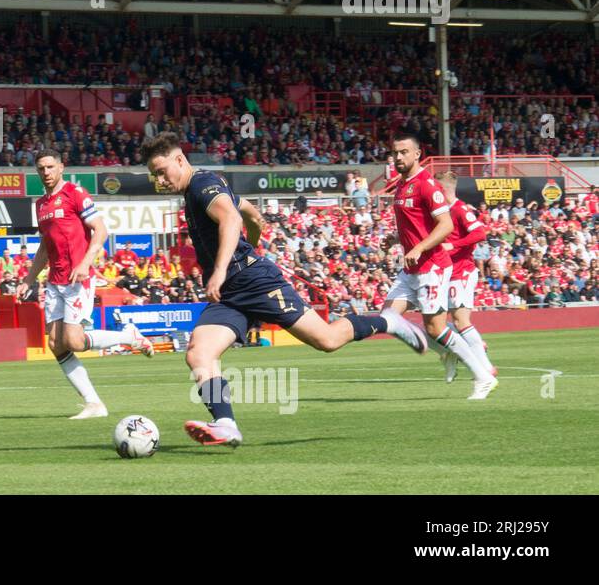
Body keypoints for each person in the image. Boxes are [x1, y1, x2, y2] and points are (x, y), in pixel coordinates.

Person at [141, 132, 428, 448]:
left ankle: (390, 321)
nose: (160, 180)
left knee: (327, 340)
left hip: (253, 282)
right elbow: (248, 212)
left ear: (179, 160)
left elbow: (231, 218)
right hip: (231, 293)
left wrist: (223, 268)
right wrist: (252, 238)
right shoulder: (200, 189)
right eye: (154, 175)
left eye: (161, 171)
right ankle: (225, 425)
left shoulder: (201, 184)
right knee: (199, 352)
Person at [20, 149, 153, 421]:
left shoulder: (75, 194)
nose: (46, 172)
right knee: (56, 344)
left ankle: (129, 337)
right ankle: (94, 404)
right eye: (41, 168)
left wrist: (84, 263)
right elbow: (45, 247)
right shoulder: (41, 205)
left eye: (50, 167)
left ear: (61, 167)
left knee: (74, 341)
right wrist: (28, 279)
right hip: (55, 281)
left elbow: (100, 230)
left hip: (78, 278)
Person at [386, 135, 497, 400]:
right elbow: (416, 226)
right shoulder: (401, 186)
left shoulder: (427, 185)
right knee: (388, 319)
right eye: (395, 153)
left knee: (438, 327)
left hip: (433, 267)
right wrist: (395, 239)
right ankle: (445, 351)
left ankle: (482, 376)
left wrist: (420, 248)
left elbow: (445, 225)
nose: (399, 157)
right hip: (412, 267)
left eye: (404, 152)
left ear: (417, 154)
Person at [434, 171, 497, 384]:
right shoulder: (441, 212)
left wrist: (454, 244)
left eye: (435, 188)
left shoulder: (460, 209)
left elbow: (480, 233)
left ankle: (486, 368)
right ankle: (460, 347)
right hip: (445, 272)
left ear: (443, 190)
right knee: (435, 323)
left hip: (461, 272)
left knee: (461, 321)